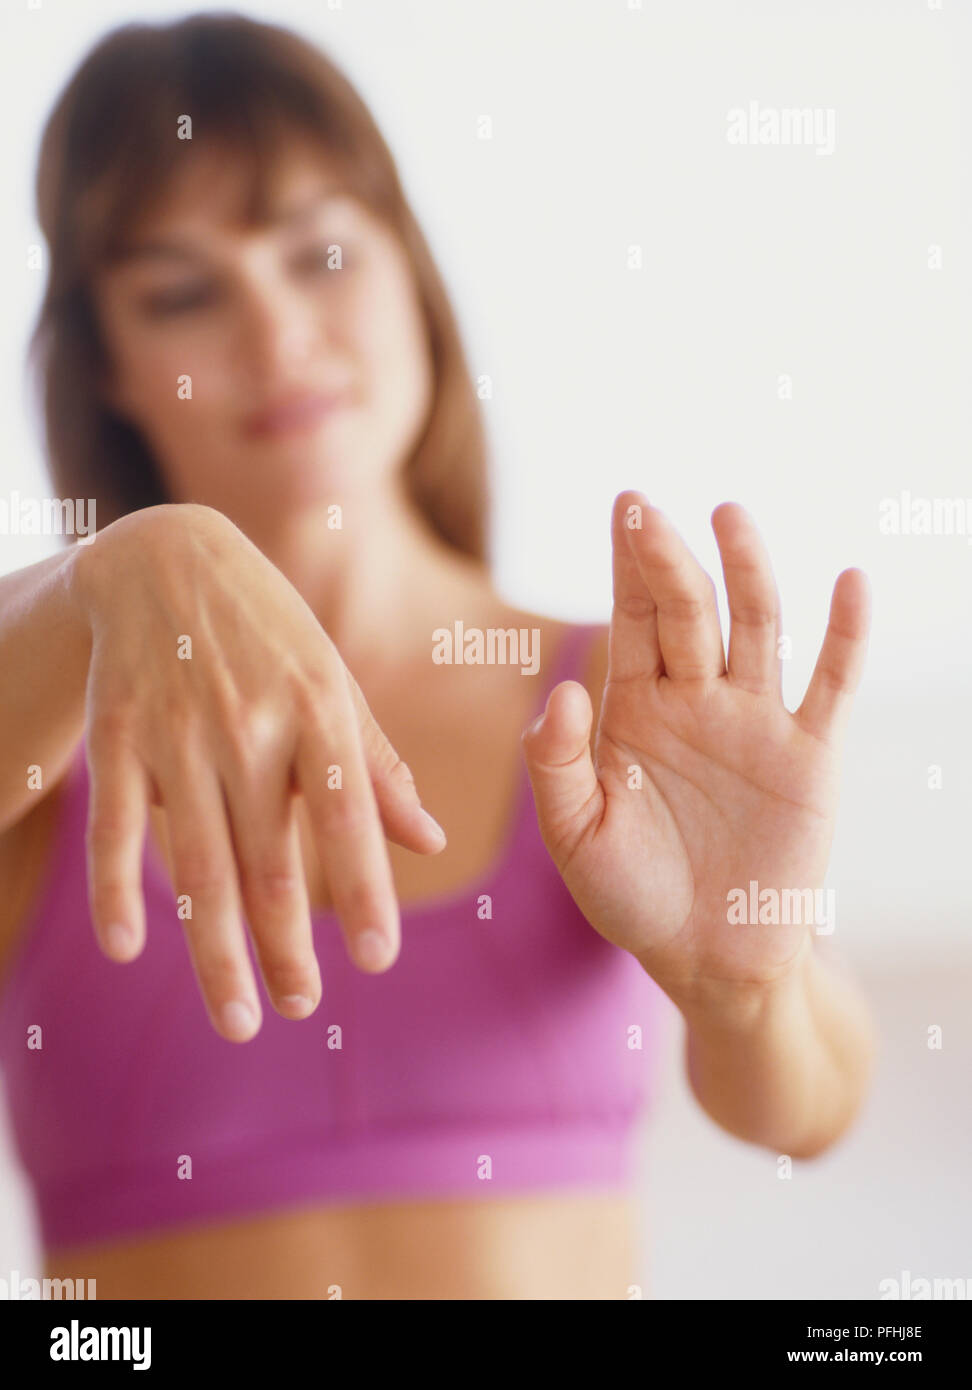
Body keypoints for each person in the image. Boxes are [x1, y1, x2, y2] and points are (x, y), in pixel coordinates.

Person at [0, 14, 875, 1300]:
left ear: (414, 277)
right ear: (110, 369)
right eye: (182, 289)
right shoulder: (59, 749)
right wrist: (103, 578)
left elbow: (814, 1106)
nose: (275, 327)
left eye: (323, 252)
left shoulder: (622, 709)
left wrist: (747, 984)